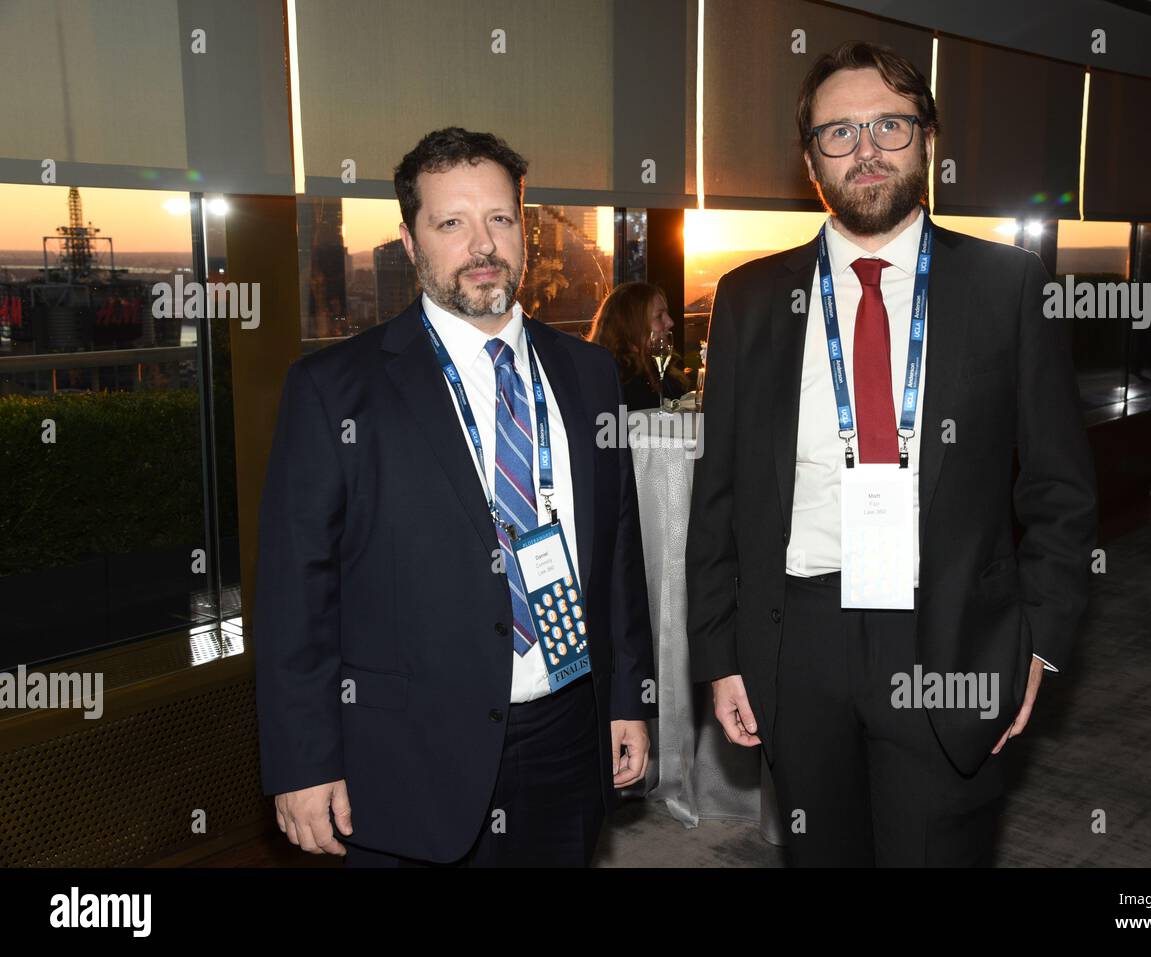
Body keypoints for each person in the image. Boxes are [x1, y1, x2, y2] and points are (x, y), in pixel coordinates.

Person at [685, 42, 1097, 866]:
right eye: (839, 132)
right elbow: (717, 493)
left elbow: (1059, 489)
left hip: (947, 633)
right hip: (795, 641)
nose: (866, 149)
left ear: (927, 139)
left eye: (889, 125)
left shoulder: (1008, 287)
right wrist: (719, 653)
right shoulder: (750, 300)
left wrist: (1039, 643)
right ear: (810, 159)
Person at [254, 127, 656, 867]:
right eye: (451, 223)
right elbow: (294, 594)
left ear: (524, 230)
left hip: (568, 736)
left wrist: (629, 696)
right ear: (410, 242)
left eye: (500, 218)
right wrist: (303, 760)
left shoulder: (590, 374)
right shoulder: (333, 390)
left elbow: (619, 552)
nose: (483, 245)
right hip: (409, 755)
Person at [587, 281, 689, 410]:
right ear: (632, 327)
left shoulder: (661, 372)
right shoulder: (622, 389)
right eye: (659, 316)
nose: (670, 322)